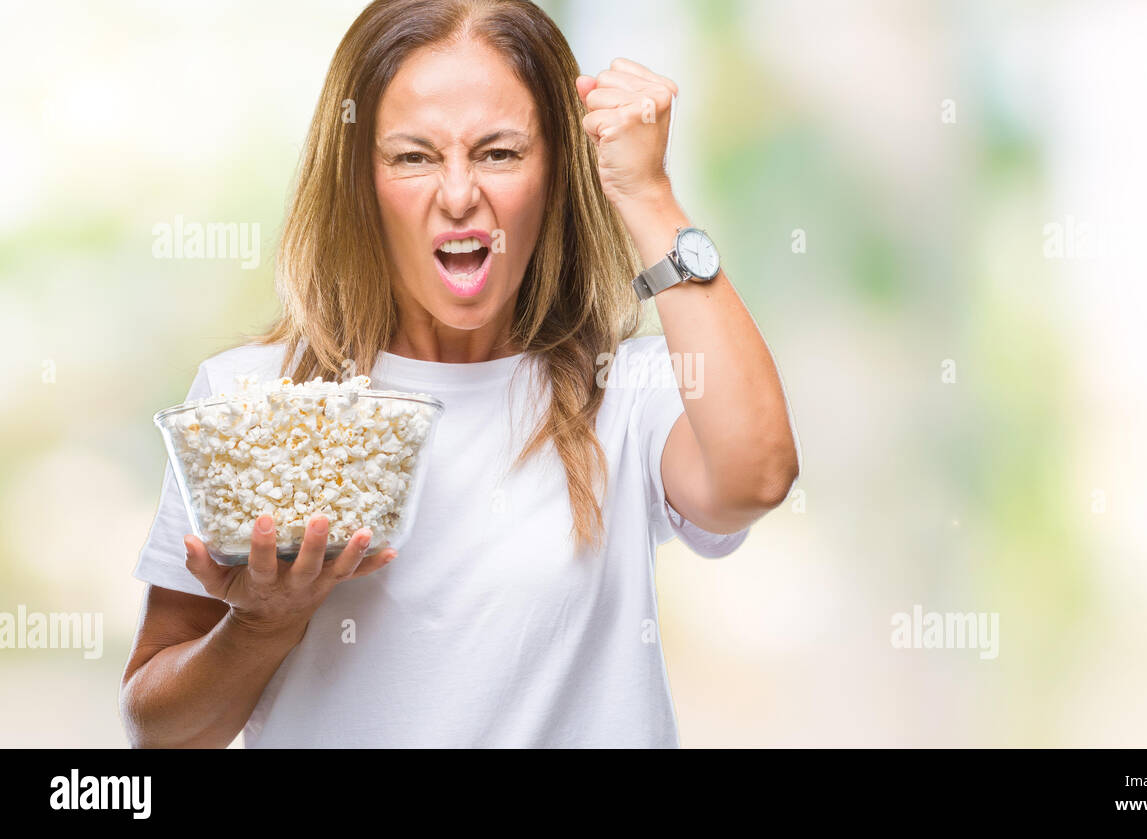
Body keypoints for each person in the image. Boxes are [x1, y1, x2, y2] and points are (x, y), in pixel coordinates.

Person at [121, 0, 799, 748]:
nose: (457, 195)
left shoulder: (624, 391)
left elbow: (756, 478)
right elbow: (160, 733)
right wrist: (264, 622)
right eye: (412, 156)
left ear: (555, 173)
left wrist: (649, 194)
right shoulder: (256, 404)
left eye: (500, 153)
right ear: (359, 178)